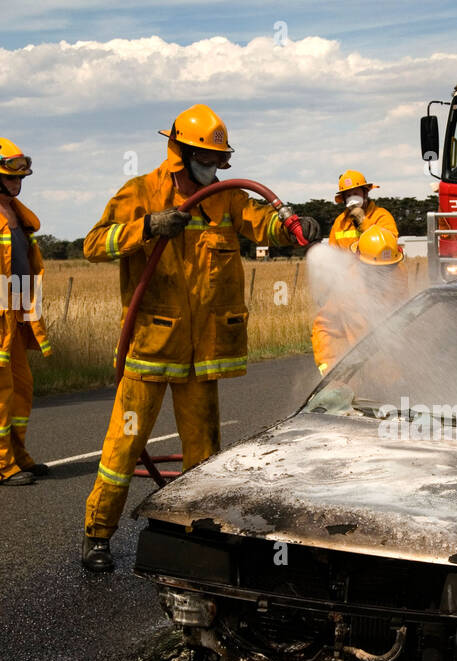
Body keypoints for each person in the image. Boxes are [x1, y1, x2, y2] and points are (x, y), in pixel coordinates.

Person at [81, 104, 319, 571]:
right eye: (207, 159)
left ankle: (197, 535)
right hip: (151, 348)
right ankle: (97, 534)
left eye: (219, 160)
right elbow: (94, 245)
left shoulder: (223, 197)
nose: (216, 168)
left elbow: (259, 221)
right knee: (122, 449)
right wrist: (147, 226)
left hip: (201, 356)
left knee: (204, 452)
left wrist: (292, 227)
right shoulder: (140, 191)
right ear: (182, 152)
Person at [0, 138, 51, 485]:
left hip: (16, 311)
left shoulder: (17, 215)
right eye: (10, 176)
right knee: (1, 394)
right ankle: (3, 467)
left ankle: (19, 456)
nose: (18, 182)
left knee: (22, 387)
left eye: (21, 177)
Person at [312, 228, 408, 376]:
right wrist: (329, 368)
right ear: (361, 263)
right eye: (378, 269)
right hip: (357, 368)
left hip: (391, 365)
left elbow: (405, 314)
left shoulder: (398, 273)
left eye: (389, 267)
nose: (385, 273)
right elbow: (324, 327)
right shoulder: (346, 284)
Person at [328, 170, 398, 251]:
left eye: (356, 194)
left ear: (365, 193)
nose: (352, 198)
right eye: (348, 195)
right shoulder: (339, 222)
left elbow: (389, 245)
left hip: (375, 263)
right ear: (344, 198)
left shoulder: (381, 216)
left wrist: (363, 221)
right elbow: (332, 252)